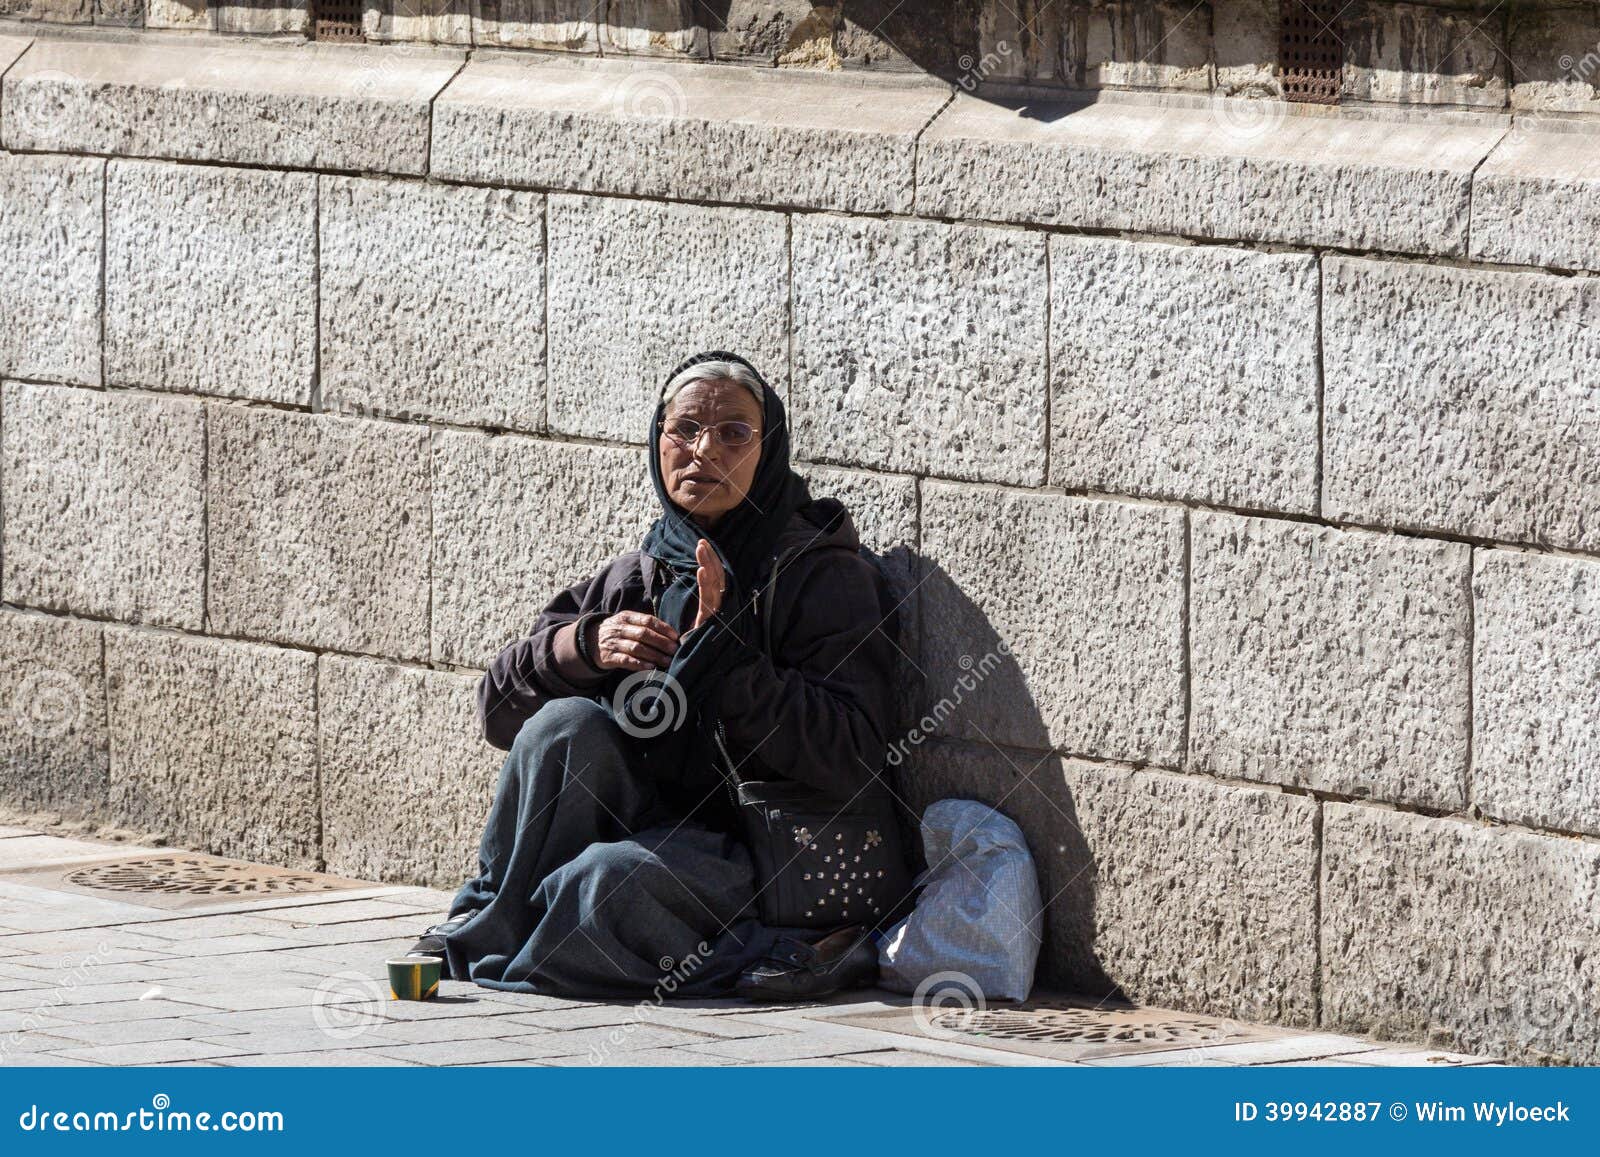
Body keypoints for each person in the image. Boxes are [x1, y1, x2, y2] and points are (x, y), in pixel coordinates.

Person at [409, 350, 903, 1000]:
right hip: (654, 833)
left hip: (765, 854)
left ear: (768, 450)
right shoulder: (643, 573)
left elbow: (856, 752)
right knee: (563, 725)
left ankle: (804, 951)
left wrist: (727, 665)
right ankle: (497, 915)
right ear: (657, 439)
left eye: (733, 433)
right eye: (686, 430)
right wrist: (583, 644)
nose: (704, 450)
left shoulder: (820, 575)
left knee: (600, 888)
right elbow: (499, 711)